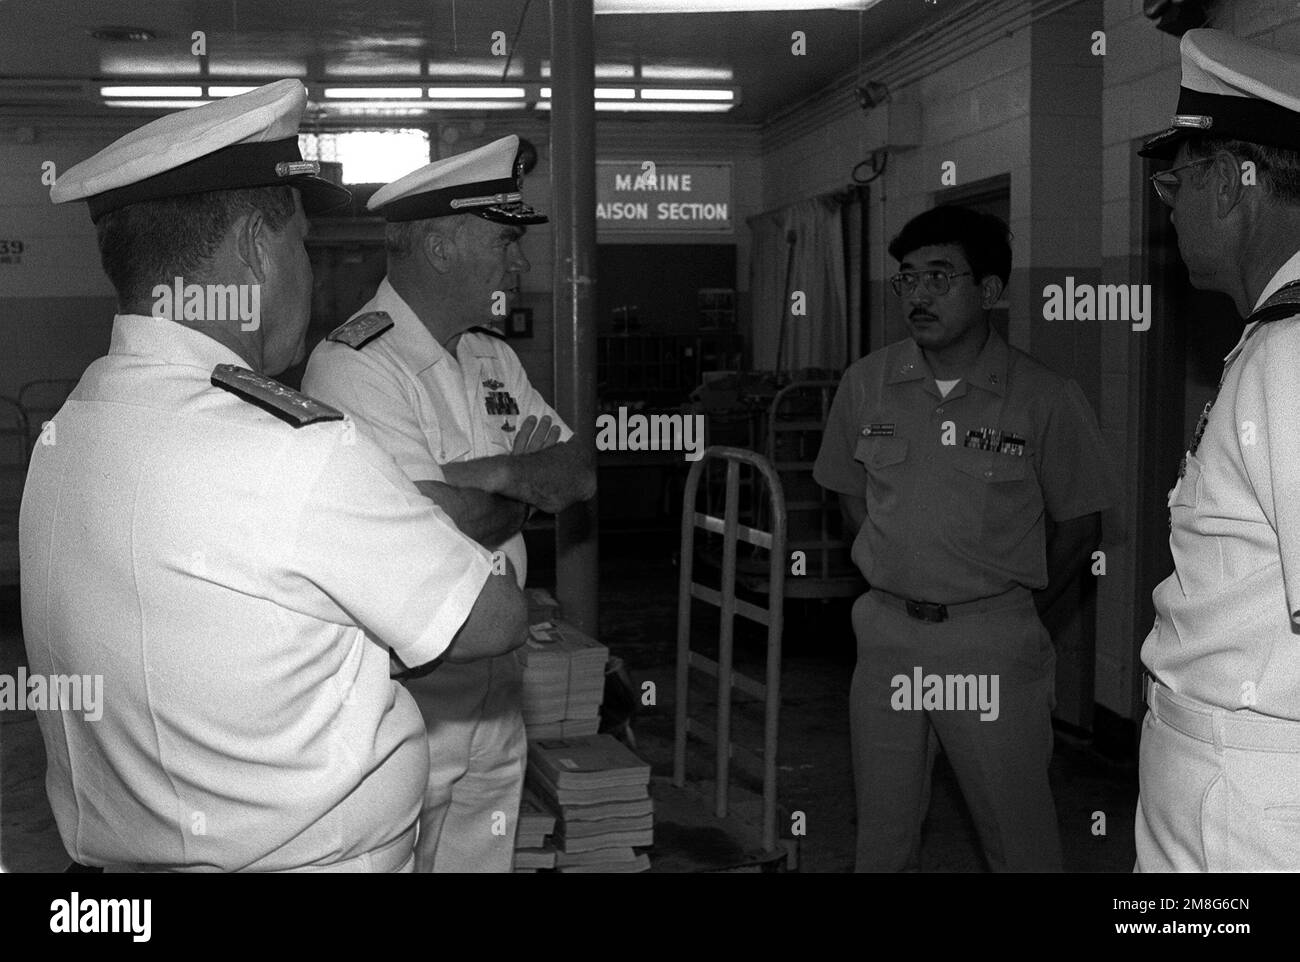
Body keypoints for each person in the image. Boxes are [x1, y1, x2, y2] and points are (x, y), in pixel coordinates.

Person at [20, 80, 527, 873]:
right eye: (299, 246)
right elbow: (488, 620)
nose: (309, 275)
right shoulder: (288, 448)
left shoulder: (69, 432)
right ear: (257, 250)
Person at [302, 134, 596, 873]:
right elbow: (425, 525)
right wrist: (517, 484)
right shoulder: (354, 364)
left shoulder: (491, 354)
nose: (519, 261)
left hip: (502, 686)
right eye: (505, 241)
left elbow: (577, 473)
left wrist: (480, 475)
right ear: (439, 246)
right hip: (413, 697)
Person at [813, 205, 1113, 872]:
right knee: (882, 834)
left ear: (991, 292)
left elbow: (1080, 526)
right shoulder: (868, 383)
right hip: (887, 636)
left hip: (990, 643)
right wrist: (901, 568)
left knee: (1019, 837)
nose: (918, 295)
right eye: (907, 279)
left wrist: (1008, 616)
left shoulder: (1044, 397)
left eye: (940, 277)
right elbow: (846, 494)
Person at [1135, 29, 1300, 872]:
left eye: (1179, 180)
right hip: (1222, 778)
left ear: (1237, 183)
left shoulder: (1294, 354)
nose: (1169, 204)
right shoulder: (1270, 341)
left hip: (1247, 802)